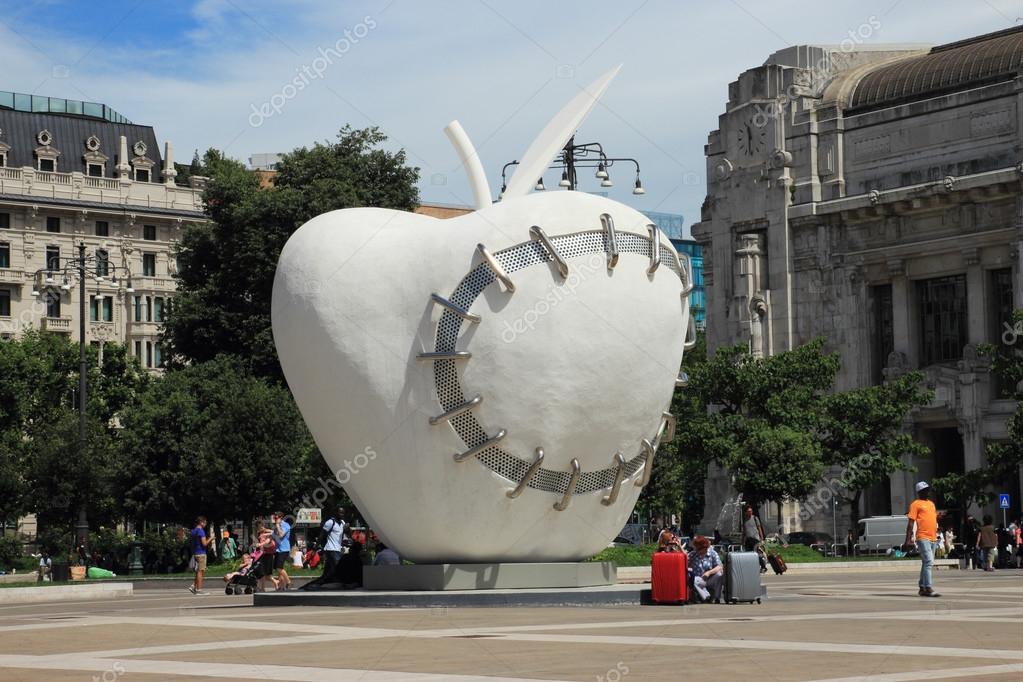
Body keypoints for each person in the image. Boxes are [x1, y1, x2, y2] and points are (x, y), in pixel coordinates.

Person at [904, 481, 940, 597]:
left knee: (926, 562)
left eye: (928, 489)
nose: (928, 492)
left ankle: (922, 587)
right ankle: (928, 587)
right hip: (922, 537)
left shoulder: (931, 504)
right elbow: (910, 523)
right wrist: (908, 540)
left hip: (933, 537)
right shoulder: (915, 504)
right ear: (920, 492)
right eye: (925, 490)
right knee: (929, 561)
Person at [687, 536, 724, 603]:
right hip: (698, 580)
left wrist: (709, 572)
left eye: (698, 549)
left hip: (710, 578)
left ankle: (717, 597)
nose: (696, 550)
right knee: (691, 578)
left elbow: (719, 566)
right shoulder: (693, 554)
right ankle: (707, 596)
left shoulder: (713, 553)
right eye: (696, 549)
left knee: (719, 574)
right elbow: (684, 559)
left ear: (704, 548)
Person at [188, 516, 213, 595]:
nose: (205, 524)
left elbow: (191, 543)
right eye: (205, 522)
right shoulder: (201, 531)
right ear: (201, 522)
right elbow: (204, 543)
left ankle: (193, 586)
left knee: (200, 571)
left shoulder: (193, 531)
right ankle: (198, 589)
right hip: (201, 553)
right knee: (200, 572)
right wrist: (211, 538)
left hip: (195, 553)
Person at [320, 507, 346, 579]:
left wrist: (347, 529)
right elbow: (322, 535)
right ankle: (338, 583)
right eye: (340, 512)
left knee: (328, 570)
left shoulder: (343, 523)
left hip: (338, 549)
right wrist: (315, 547)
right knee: (338, 567)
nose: (342, 514)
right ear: (336, 513)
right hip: (331, 549)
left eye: (343, 513)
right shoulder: (330, 522)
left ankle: (322, 582)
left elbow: (343, 536)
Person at [741, 506, 768, 573]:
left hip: (755, 539)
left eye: (751, 511)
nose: (750, 512)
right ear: (746, 512)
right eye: (749, 511)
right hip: (748, 540)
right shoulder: (745, 520)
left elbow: (759, 529)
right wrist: (742, 541)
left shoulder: (755, 518)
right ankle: (751, 568)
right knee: (748, 555)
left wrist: (762, 539)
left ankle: (763, 567)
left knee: (756, 554)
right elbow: (744, 532)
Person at [272, 511, 293, 590]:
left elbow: (280, 535)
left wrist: (277, 525)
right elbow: (274, 536)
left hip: (284, 549)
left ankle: (288, 582)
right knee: (278, 569)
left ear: (281, 518)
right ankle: (281, 586)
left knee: (279, 568)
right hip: (278, 550)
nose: (275, 519)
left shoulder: (285, 525)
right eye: (274, 518)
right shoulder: (276, 527)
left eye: (276, 518)